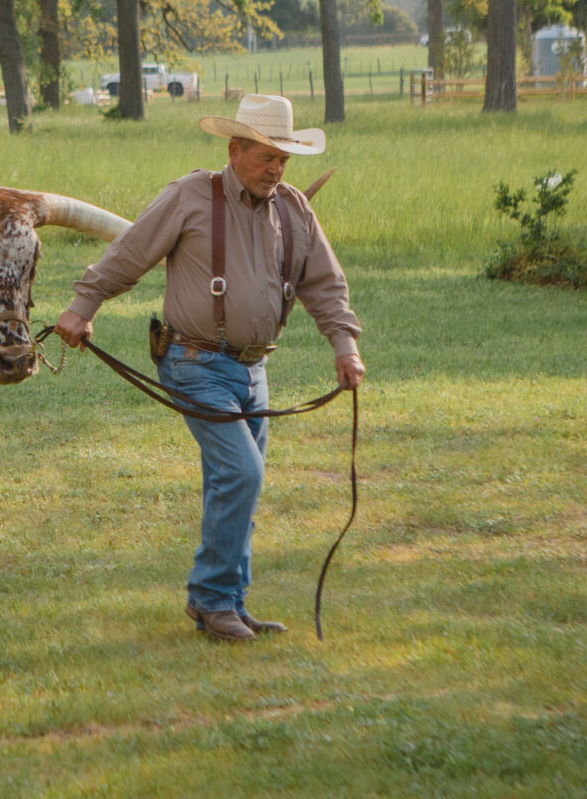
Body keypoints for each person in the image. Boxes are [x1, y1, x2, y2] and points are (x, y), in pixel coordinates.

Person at [53, 94, 364, 643]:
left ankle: (228, 603)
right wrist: (82, 307)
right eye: (266, 157)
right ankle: (214, 599)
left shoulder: (293, 207)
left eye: (283, 158)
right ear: (235, 149)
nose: (277, 169)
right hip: (193, 361)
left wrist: (345, 345)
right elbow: (130, 252)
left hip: (253, 369)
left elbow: (323, 283)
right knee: (242, 473)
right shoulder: (191, 195)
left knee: (237, 481)